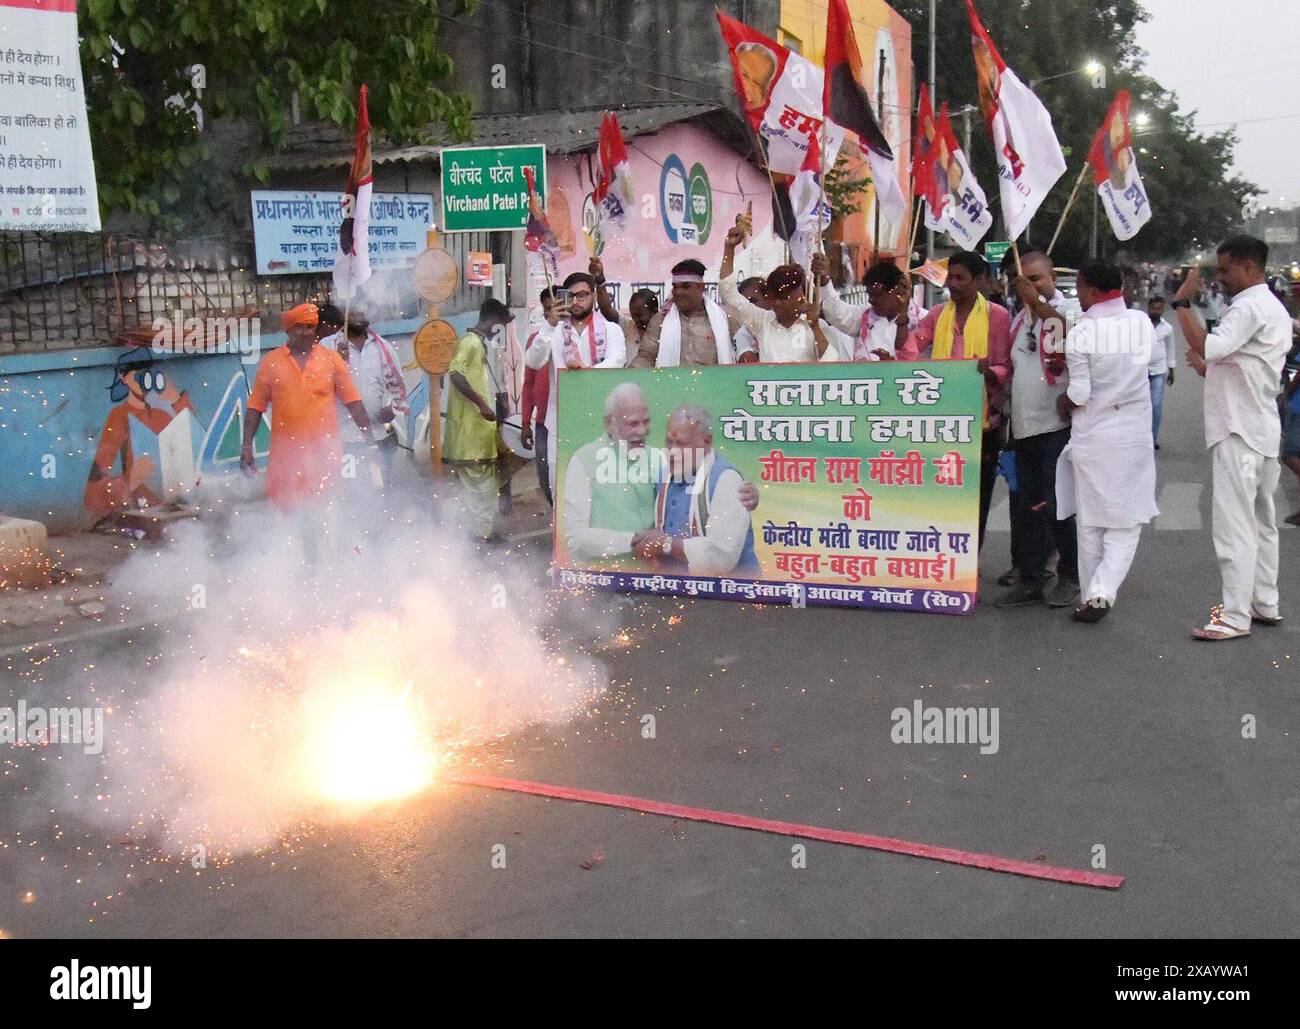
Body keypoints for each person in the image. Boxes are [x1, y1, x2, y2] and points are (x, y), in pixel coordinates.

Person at [1172, 235, 1291, 640]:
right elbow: (1244, 364)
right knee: (1261, 521)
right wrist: (1209, 369)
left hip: (1239, 429)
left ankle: (1234, 616)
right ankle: (1264, 602)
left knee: (1235, 524)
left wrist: (1181, 303)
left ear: (1248, 267)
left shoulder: (1250, 306)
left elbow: (1209, 344)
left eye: (1225, 269)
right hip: (1259, 426)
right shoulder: (1270, 306)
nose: (1219, 278)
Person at [1055, 260, 1158, 622]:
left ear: (1093, 290)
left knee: (1091, 522)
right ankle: (1101, 591)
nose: (1078, 296)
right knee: (1126, 522)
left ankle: (1089, 595)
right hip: (1132, 434)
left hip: (1094, 436)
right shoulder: (1141, 323)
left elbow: (1080, 393)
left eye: (1080, 288)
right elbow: (1151, 364)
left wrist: (1063, 401)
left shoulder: (1082, 334)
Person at [899, 249, 1013, 546]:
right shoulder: (938, 315)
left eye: (960, 278)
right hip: (943, 422)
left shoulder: (997, 316)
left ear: (979, 281)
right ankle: (945, 557)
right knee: (943, 493)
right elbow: (912, 350)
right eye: (951, 277)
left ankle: (970, 560)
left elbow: (1004, 366)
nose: (953, 284)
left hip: (982, 421)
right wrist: (901, 326)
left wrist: (988, 371)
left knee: (977, 495)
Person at [996, 252, 1082, 608]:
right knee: (1028, 507)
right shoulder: (1018, 320)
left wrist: (1041, 305)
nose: (1030, 287)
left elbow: (1070, 340)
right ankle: (1031, 578)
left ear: (1052, 277)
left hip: (1056, 427)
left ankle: (1071, 575)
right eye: (1024, 282)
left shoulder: (1071, 311)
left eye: (1037, 279)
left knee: (1056, 506)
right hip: (1024, 427)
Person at [241, 303, 372, 510]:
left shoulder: (331, 360)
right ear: (288, 330)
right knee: (287, 518)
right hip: (286, 462)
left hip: (324, 459)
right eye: (299, 327)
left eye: (310, 327)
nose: (305, 332)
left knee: (325, 516)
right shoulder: (271, 363)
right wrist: (247, 446)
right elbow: (255, 407)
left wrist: (369, 440)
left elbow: (353, 403)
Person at [523, 270, 627, 496]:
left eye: (583, 295)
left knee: (601, 486)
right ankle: (563, 531)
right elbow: (533, 360)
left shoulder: (611, 329)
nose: (578, 301)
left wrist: (584, 373)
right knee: (560, 484)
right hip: (561, 421)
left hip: (600, 420)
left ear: (593, 296)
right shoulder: (555, 331)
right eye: (572, 296)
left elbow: (617, 361)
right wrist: (549, 325)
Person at [635, 404, 759, 576]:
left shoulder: (727, 480)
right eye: (669, 442)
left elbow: (721, 558)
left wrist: (666, 544)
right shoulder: (662, 476)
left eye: (681, 444)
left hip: (731, 597)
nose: (672, 452)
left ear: (707, 442)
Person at [444, 299, 514, 542]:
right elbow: (455, 374)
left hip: (478, 433)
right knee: (480, 487)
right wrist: (482, 404)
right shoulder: (470, 342)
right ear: (492, 320)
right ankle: (480, 536)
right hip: (469, 433)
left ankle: (479, 533)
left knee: (481, 487)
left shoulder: (479, 343)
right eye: (501, 324)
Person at [719, 213, 831, 362]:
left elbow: (831, 363)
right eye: (793, 297)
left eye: (799, 296)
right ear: (772, 301)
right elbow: (729, 294)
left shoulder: (817, 325)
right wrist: (729, 249)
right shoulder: (762, 321)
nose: (801, 301)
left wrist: (815, 326)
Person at [334, 311, 409, 488]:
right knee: (351, 492)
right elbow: (319, 387)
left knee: (381, 488)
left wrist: (393, 409)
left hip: (378, 436)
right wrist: (338, 361)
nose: (360, 314)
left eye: (365, 308)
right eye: (356, 310)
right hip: (345, 439)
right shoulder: (328, 346)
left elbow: (398, 386)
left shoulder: (383, 347)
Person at [810, 253, 923, 361]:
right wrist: (825, 280)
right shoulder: (867, 315)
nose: (871, 300)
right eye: (869, 295)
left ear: (898, 291)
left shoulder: (922, 319)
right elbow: (839, 314)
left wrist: (890, 367)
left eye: (877, 295)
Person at [634, 259, 742, 368]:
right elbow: (646, 356)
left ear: (700, 287)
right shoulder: (661, 319)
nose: (678, 292)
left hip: (714, 383)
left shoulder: (724, 318)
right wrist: (627, 376)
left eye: (685, 286)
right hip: (671, 383)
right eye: (675, 287)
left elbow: (742, 352)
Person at [520, 289, 559, 506]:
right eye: (548, 309)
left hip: (567, 421)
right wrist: (526, 422)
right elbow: (528, 384)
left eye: (556, 306)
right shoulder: (536, 341)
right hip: (543, 423)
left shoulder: (572, 338)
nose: (553, 312)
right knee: (545, 477)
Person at [592, 256, 657, 366]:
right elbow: (606, 309)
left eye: (639, 315)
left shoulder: (665, 332)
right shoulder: (629, 327)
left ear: (654, 312)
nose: (635, 320)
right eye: (633, 316)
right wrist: (600, 280)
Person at [1146, 296, 1176, 448]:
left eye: (1159, 309)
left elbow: (1170, 349)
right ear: (1148, 308)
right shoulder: (1141, 325)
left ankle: (1153, 438)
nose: (1156, 311)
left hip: (1159, 370)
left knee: (1156, 405)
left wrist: (1171, 369)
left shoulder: (1167, 328)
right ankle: (1140, 438)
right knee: (1140, 406)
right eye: (1154, 308)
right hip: (1141, 371)